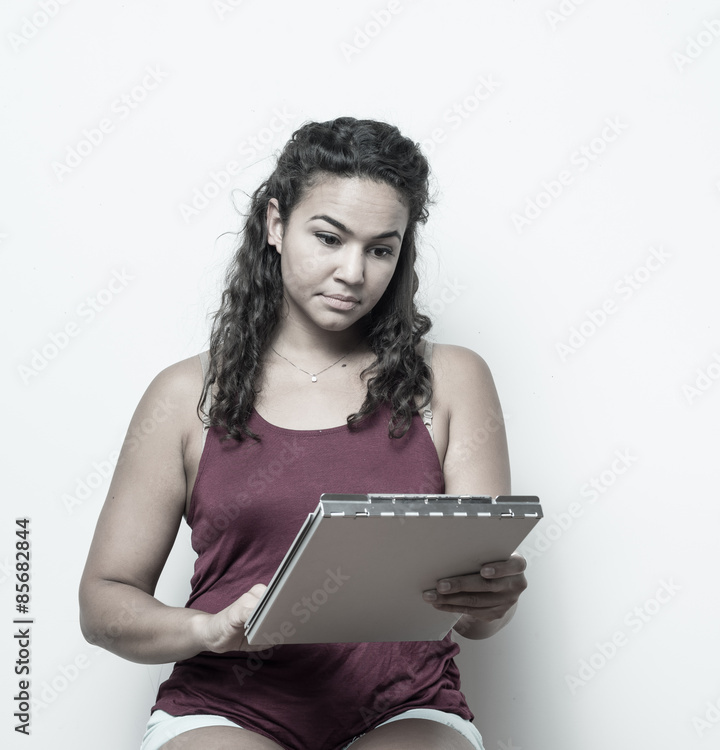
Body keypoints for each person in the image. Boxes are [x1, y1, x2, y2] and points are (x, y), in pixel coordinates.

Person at [79, 117, 527, 750]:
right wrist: (209, 630)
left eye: (381, 249)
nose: (353, 272)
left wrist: (494, 601)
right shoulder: (186, 395)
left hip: (406, 705)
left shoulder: (452, 380)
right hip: (227, 704)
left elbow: (476, 617)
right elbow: (103, 604)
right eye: (329, 237)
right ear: (274, 222)